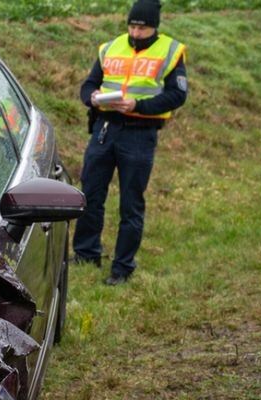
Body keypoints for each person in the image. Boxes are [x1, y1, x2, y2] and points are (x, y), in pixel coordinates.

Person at [72, 0, 188, 285]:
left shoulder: (171, 52)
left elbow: (177, 95)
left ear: (154, 28)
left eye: (142, 27)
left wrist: (139, 104)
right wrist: (93, 98)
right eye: (132, 26)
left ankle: (122, 268)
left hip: (140, 134)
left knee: (130, 203)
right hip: (104, 128)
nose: (136, 33)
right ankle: (86, 254)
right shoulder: (109, 47)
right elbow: (88, 85)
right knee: (91, 193)